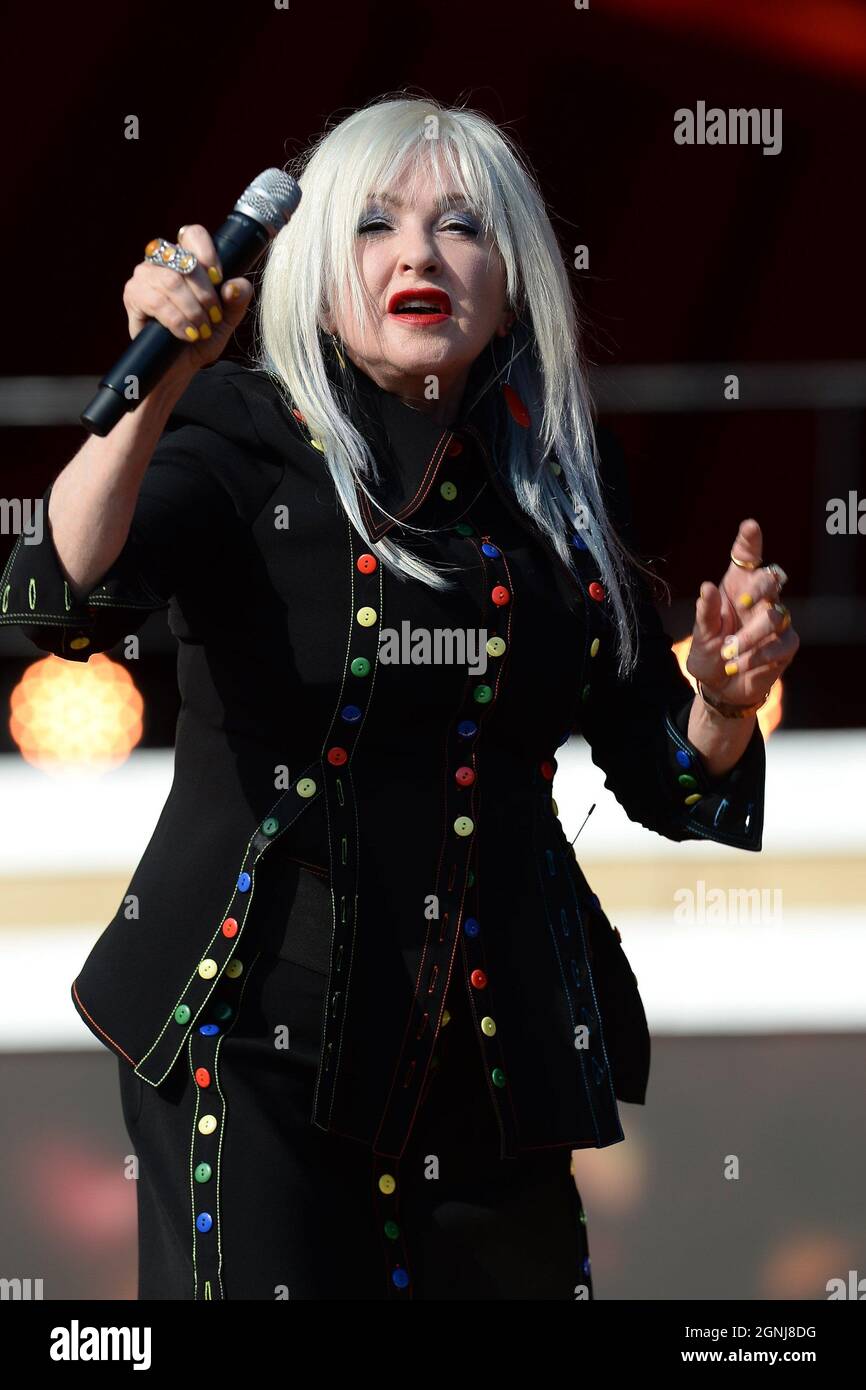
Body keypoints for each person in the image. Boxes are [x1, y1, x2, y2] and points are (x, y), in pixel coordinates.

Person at [0, 96, 798, 1301]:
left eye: (459, 225)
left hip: (493, 1052)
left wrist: (724, 701)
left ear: (513, 275)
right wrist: (155, 388)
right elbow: (55, 601)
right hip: (259, 1037)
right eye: (373, 225)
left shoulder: (561, 471)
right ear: (317, 275)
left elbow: (666, 776)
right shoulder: (238, 431)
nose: (418, 253)